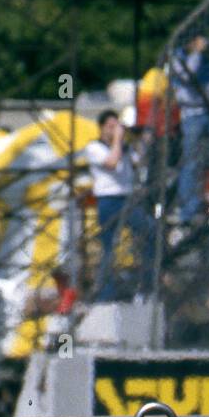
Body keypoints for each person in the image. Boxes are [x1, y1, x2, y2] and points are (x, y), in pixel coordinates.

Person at [84, 109, 152, 301]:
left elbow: (141, 163)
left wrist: (139, 142)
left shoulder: (125, 148)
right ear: (102, 128)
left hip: (128, 198)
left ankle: (146, 284)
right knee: (109, 247)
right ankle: (106, 293)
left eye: (117, 127)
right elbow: (112, 163)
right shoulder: (94, 147)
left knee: (149, 231)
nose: (115, 131)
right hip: (108, 200)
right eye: (111, 127)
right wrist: (118, 141)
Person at [170, 34, 209, 225]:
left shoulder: (207, 60)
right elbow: (189, 76)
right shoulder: (178, 58)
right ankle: (188, 211)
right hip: (191, 115)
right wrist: (197, 53)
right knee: (192, 162)